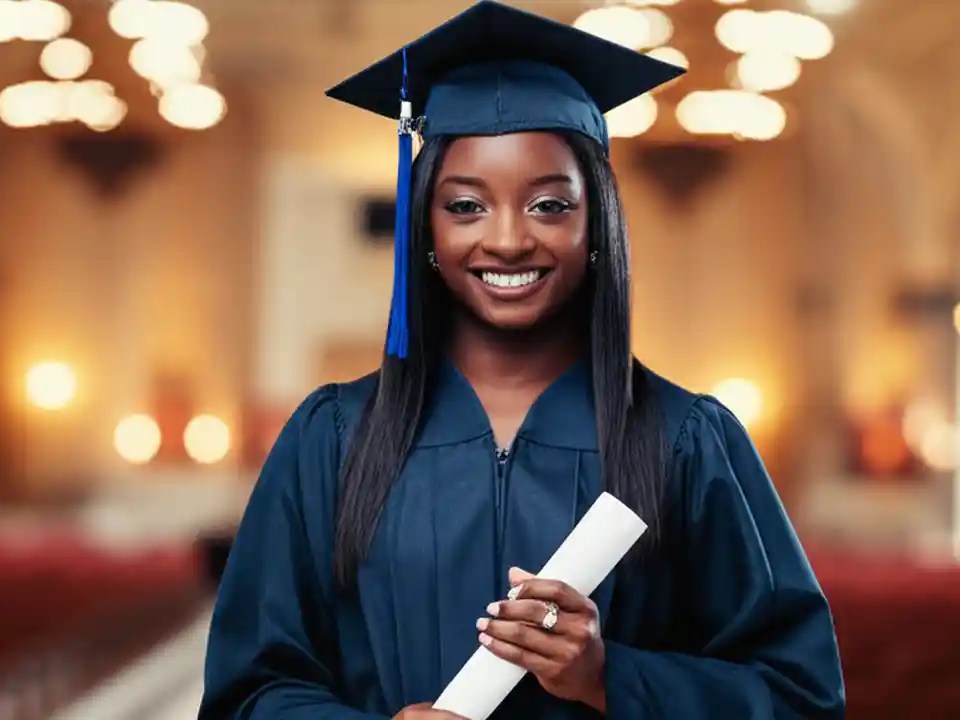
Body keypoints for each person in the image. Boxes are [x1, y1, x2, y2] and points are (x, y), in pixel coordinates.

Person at [198, 2, 845, 718]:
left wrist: (610, 679)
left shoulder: (687, 441)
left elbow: (799, 698)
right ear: (425, 230)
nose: (507, 240)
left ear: (596, 223)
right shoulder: (333, 440)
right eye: (466, 205)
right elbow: (248, 690)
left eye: (548, 205)